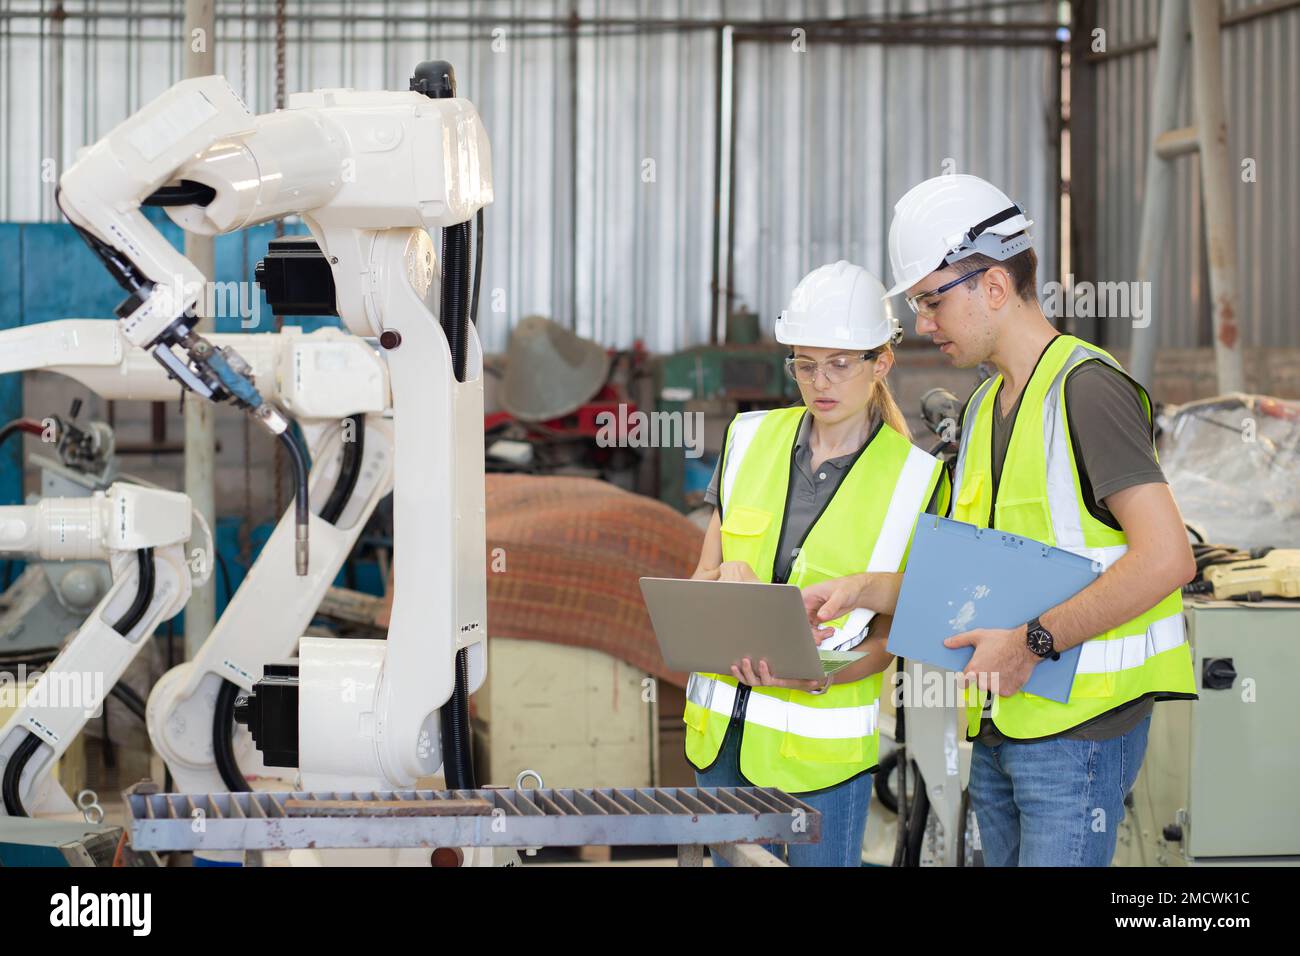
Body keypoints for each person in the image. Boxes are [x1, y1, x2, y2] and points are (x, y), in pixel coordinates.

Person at [802, 175, 1197, 866]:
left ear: (991, 286)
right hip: (1001, 721)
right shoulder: (984, 408)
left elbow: (1168, 559)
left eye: (931, 300)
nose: (923, 323)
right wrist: (863, 590)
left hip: (1080, 731)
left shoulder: (1087, 388)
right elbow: (966, 579)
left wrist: (1033, 641)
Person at [686, 260, 945, 867]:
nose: (820, 381)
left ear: (881, 362)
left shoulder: (915, 480)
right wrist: (724, 581)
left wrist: (824, 676)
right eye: (805, 363)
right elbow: (700, 582)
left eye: (840, 363)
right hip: (721, 746)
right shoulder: (749, 440)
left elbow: (896, 637)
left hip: (823, 761)